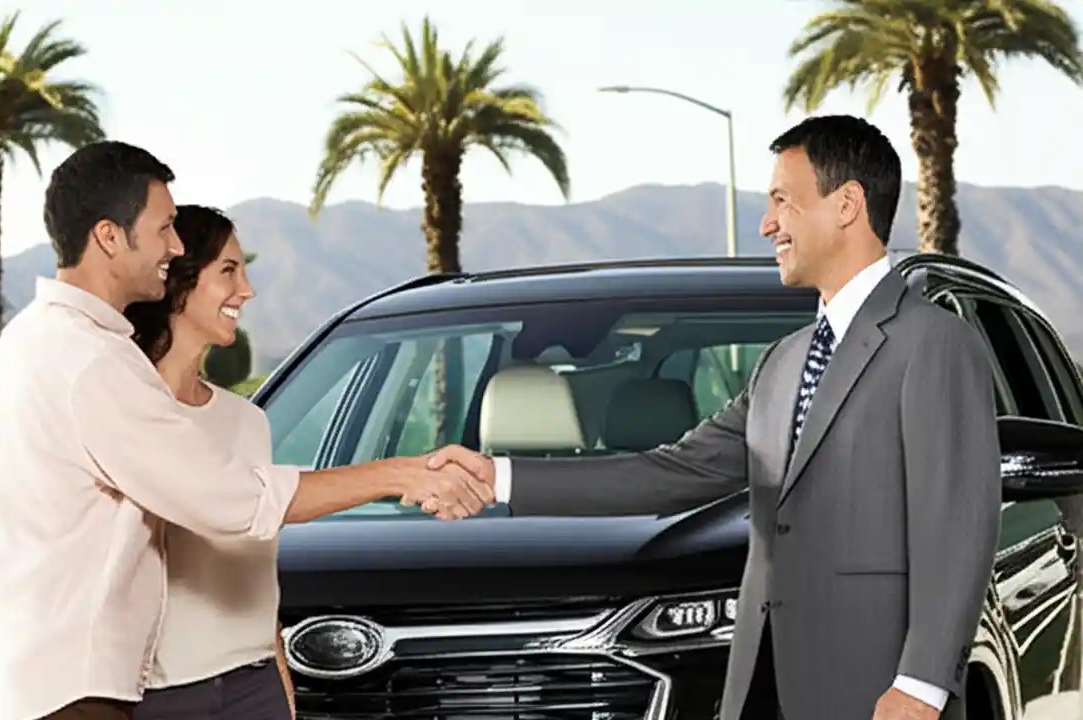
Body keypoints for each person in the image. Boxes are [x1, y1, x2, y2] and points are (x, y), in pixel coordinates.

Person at [428, 115, 1001, 720]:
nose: (767, 223)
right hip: (761, 687)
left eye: (783, 200)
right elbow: (668, 474)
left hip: (878, 693)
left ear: (847, 205)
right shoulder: (782, 365)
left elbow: (957, 527)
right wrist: (499, 478)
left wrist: (922, 684)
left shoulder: (934, 343)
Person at [0, 141, 492, 720]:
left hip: (31, 685)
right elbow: (230, 500)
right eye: (163, 228)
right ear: (110, 236)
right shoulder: (93, 362)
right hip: (66, 693)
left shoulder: (34, 337)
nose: (175, 244)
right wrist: (398, 474)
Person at [120, 204, 295, 718]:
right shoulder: (123, 412)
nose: (247, 290)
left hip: (255, 688)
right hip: (157, 697)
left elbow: (261, 587)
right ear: (179, 280)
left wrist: (282, 696)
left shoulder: (248, 423)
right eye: (228, 271)